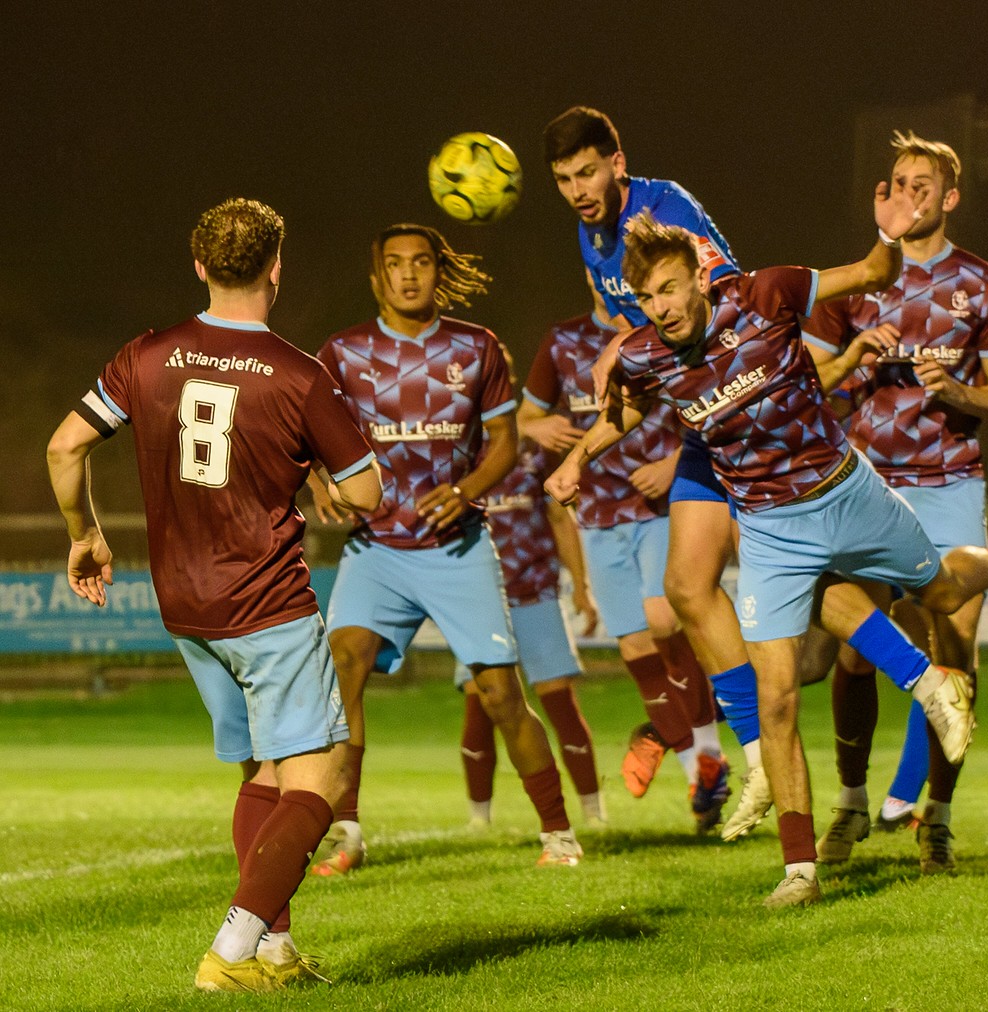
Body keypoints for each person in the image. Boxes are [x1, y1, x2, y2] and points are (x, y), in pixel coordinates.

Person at [545, 186, 988, 907]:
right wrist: (578, 458)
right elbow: (630, 407)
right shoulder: (645, 355)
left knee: (944, 595)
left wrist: (887, 238)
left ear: (699, 277)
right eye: (646, 296)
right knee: (777, 700)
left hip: (846, 492)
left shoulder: (767, 292)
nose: (660, 306)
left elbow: (869, 274)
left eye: (670, 289)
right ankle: (798, 870)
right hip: (768, 528)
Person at [48, 198, 380, 990]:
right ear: (276, 267)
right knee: (321, 783)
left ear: (199, 266)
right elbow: (366, 492)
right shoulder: (301, 375)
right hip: (266, 603)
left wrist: (83, 534)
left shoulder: (147, 355)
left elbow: (65, 445)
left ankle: (274, 951)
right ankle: (231, 953)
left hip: (187, 610)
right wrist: (321, 469)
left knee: (264, 776)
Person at [313, 224, 582, 873]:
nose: (409, 275)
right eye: (396, 265)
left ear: (440, 271)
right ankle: (344, 830)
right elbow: (305, 435)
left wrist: (465, 492)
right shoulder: (342, 354)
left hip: (456, 547)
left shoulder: (477, 346)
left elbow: (505, 444)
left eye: (422, 263)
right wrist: (317, 481)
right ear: (377, 277)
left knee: (498, 693)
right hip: (374, 546)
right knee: (341, 664)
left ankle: (558, 835)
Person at [804, 131, 988, 870]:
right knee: (854, 656)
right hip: (866, 484)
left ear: (950, 197)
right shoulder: (852, 280)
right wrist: (856, 357)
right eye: (899, 182)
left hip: (950, 484)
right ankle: (852, 803)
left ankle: (939, 817)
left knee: (952, 653)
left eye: (924, 184)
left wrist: (958, 391)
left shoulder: (984, 284)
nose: (910, 194)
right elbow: (808, 381)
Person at [543, 107, 738, 822]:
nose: (578, 189)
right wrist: (623, 342)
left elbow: (727, 291)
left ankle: (701, 740)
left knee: (701, 617)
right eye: (564, 180)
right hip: (697, 429)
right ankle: (711, 759)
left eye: (587, 172)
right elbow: (633, 324)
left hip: (740, 415)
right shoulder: (589, 234)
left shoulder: (667, 206)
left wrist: (620, 346)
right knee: (668, 617)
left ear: (617, 162)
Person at [523, 309, 738, 833]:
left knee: (664, 621)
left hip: (665, 507)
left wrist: (674, 465)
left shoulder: (661, 329)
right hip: (597, 516)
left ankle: (702, 744)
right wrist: (536, 424)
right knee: (636, 648)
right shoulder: (564, 339)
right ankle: (700, 775)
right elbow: (523, 417)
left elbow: (711, 402)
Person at [459, 438, 608, 829]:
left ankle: (593, 811)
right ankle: (479, 818)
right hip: (477, 600)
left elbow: (560, 518)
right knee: (481, 707)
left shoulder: (535, 451)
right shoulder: (458, 444)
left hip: (537, 593)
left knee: (560, 703)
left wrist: (580, 585)